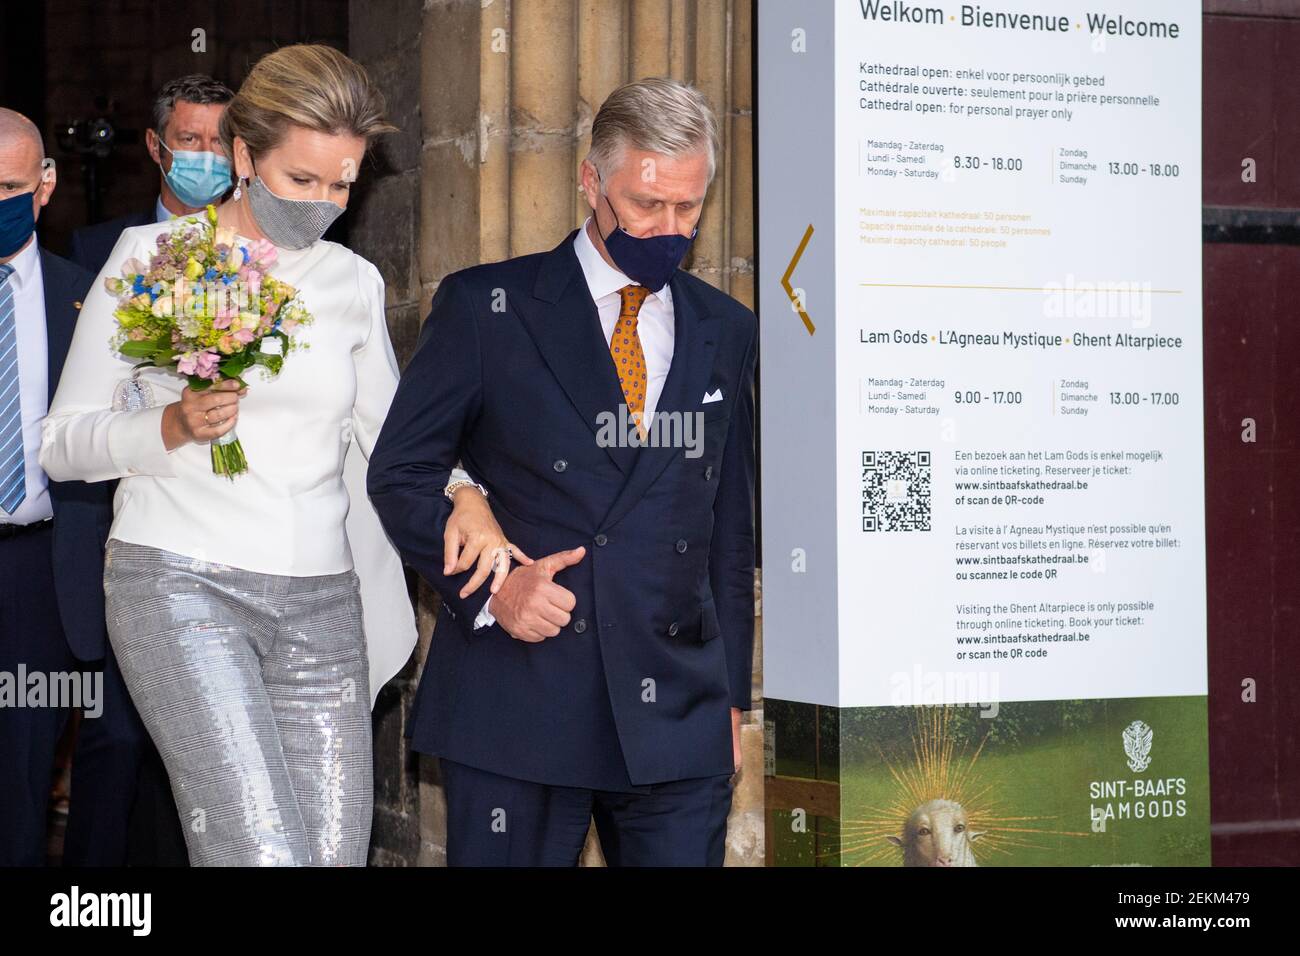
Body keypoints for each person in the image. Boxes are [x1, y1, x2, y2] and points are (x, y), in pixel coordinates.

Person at [39, 44, 519, 866]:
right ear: (242, 155)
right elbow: (61, 446)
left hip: (322, 601)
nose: (325, 203)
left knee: (332, 854)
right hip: (177, 583)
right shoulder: (149, 261)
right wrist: (170, 428)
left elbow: (391, 436)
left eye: (343, 184)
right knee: (255, 850)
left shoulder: (353, 282)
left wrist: (465, 492)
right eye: (303, 180)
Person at [368, 77, 758, 866]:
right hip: (523, 692)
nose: (670, 228)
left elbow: (725, 526)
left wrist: (730, 697)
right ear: (591, 182)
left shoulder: (728, 328)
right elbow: (400, 473)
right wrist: (493, 589)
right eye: (646, 205)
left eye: (689, 208)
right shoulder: (489, 307)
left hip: (677, 710)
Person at [0, 108, 121, 866]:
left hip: (39, 575)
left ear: (44, 187)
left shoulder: (93, 301)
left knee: (22, 773)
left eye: (7, 185)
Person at [70, 75, 235, 277]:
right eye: (189, 139)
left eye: (219, 141)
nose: (207, 154)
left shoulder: (257, 248)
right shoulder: (98, 248)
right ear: (155, 146)